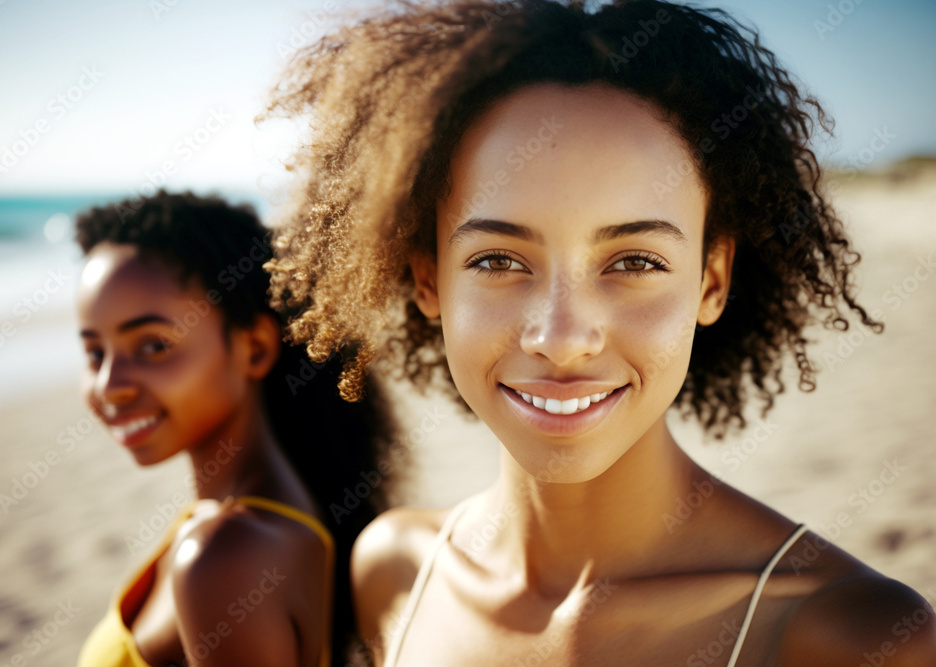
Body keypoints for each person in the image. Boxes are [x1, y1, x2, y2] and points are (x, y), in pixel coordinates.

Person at [258, 1, 936, 665]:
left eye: (635, 261)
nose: (561, 337)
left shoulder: (857, 639)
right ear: (430, 279)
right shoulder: (395, 572)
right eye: (498, 260)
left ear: (711, 280)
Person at [74, 190, 393, 667]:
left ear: (255, 348)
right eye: (95, 352)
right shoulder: (240, 526)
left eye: (153, 346)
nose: (110, 385)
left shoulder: (226, 557)